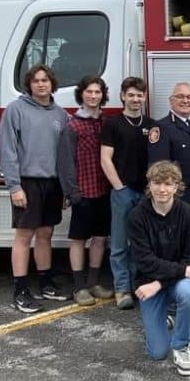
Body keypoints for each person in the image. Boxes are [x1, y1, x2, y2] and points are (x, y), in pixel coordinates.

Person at [0, 64, 70, 313]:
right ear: (29, 85)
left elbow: (64, 155)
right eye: (36, 80)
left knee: (46, 234)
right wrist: (14, 186)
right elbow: (6, 148)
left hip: (52, 183)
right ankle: (20, 290)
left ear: (52, 84)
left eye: (45, 80)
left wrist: (66, 188)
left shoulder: (60, 115)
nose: (41, 84)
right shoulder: (16, 110)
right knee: (24, 236)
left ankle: (45, 282)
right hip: (26, 182)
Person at [128, 161, 190, 376]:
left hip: (166, 282)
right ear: (149, 185)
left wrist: (160, 282)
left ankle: (181, 346)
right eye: (157, 183)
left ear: (176, 187)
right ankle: (164, 321)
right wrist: (180, 272)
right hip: (149, 281)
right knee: (157, 352)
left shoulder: (189, 214)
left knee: (189, 292)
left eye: (168, 184)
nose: (162, 189)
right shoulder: (137, 216)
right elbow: (144, 261)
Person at [148, 82, 190, 305]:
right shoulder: (162, 128)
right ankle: (172, 292)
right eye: (180, 97)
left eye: (189, 97)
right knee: (173, 249)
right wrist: (168, 199)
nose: (185, 101)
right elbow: (159, 169)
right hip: (177, 203)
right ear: (171, 101)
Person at [58, 76, 114, 306]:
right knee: (79, 240)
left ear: (103, 96)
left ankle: (93, 282)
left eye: (97, 92)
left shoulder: (105, 123)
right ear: (81, 94)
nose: (93, 96)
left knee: (100, 239)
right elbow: (65, 162)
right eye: (89, 92)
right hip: (83, 192)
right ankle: (79, 286)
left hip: (103, 191)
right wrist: (72, 192)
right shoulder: (72, 126)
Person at [101, 76, 154, 310]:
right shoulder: (113, 124)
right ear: (123, 96)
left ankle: (137, 286)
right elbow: (105, 159)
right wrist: (119, 187)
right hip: (123, 193)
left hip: (145, 194)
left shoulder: (151, 126)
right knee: (120, 243)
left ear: (144, 98)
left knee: (141, 244)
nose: (135, 99)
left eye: (139, 95)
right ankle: (122, 289)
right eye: (131, 94)